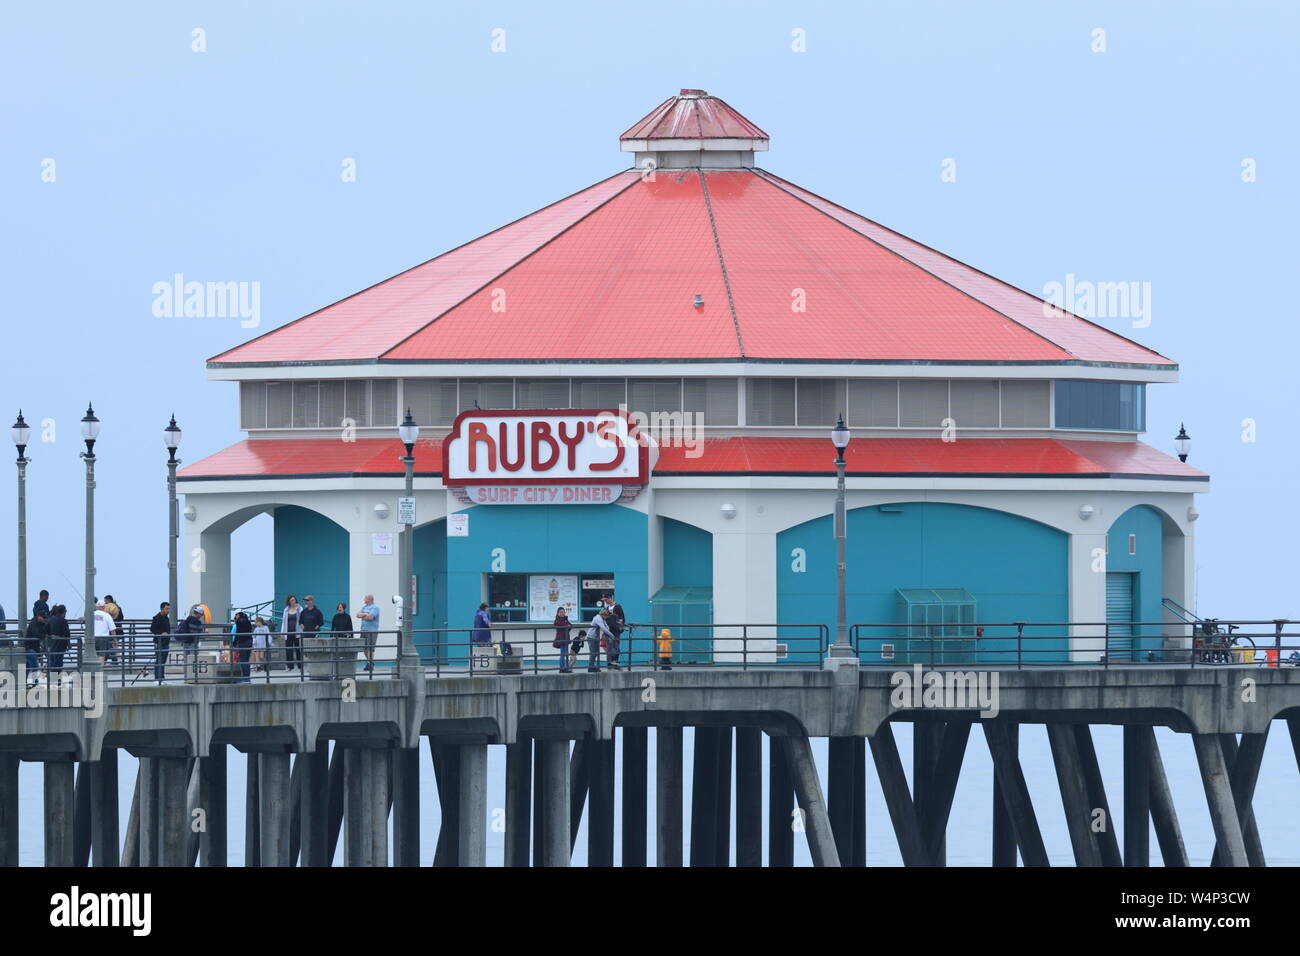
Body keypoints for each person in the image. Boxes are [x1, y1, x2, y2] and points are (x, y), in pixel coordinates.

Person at [586, 608, 615, 673]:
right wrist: (612, 635)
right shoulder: (598, 618)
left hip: (596, 637)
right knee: (593, 653)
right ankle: (590, 667)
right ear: (603, 614)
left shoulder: (602, 619)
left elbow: (606, 627)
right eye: (606, 616)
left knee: (596, 653)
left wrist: (609, 633)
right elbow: (603, 628)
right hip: (591, 637)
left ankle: (593, 666)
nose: (607, 617)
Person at [357, 593, 380, 673]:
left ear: (370, 599)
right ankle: (370, 662)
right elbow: (357, 615)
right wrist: (365, 614)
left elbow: (370, 617)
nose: (364, 599)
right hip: (363, 629)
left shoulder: (375, 608)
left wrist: (364, 615)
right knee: (363, 647)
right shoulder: (364, 607)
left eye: (365, 598)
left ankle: (369, 663)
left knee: (370, 648)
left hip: (372, 631)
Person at [44, 605, 70, 678]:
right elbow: (67, 633)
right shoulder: (63, 620)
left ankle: (51, 679)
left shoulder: (51, 619)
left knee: (52, 661)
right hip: (61, 645)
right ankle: (55, 679)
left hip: (52, 644)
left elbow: (46, 630)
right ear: (64, 612)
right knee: (58, 663)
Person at [149, 601, 171, 681]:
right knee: (159, 660)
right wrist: (161, 633)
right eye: (166, 609)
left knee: (163, 661)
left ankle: (162, 677)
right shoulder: (157, 617)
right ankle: (157, 677)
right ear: (162, 609)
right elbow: (152, 629)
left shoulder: (166, 618)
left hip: (166, 642)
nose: (168, 610)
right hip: (159, 642)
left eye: (169, 609)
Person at [92, 600, 117, 668]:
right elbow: (112, 629)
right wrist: (115, 640)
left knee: (92, 655)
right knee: (102, 655)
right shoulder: (106, 615)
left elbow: (87, 628)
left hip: (92, 638)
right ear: (103, 607)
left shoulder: (91, 615)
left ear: (97, 606)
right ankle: (99, 670)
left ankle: (93, 670)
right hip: (103, 638)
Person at [24, 611, 46, 685]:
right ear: (39, 616)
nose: (44, 619)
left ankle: (24, 682)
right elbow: (36, 634)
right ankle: (35, 682)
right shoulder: (33, 623)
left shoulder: (38, 623)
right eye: (43, 618)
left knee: (28, 665)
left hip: (31, 647)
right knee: (34, 665)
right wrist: (44, 635)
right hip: (30, 647)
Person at [281, 595, 303, 670]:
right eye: (291, 600)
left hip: (297, 632)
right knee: (289, 649)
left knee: (298, 649)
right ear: (289, 601)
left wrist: (298, 609)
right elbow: (284, 622)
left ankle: (300, 666)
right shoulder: (286, 609)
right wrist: (282, 633)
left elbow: (301, 618)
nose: (293, 601)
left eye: (294, 600)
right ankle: (290, 666)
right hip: (288, 632)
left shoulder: (300, 608)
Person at [231, 611, 254, 681]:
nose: (235, 617)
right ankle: (248, 677)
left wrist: (234, 642)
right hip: (249, 641)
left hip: (243, 642)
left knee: (243, 660)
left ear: (238, 614)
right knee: (246, 660)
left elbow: (238, 632)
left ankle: (245, 677)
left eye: (236, 615)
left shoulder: (239, 621)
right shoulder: (247, 620)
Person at [553, 606, 573, 673]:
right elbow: (564, 626)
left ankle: (565, 667)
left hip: (566, 638)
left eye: (563, 612)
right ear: (558, 613)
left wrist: (567, 626)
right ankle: (562, 668)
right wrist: (567, 626)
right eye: (561, 612)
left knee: (565, 653)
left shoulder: (565, 619)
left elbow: (570, 625)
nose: (562, 613)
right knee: (562, 654)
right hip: (561, 638)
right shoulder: (557, 620)